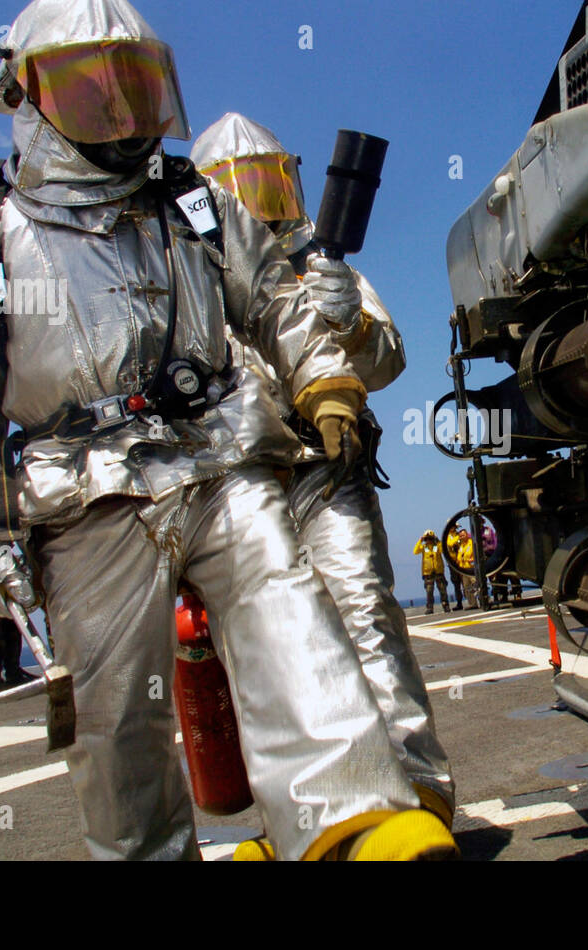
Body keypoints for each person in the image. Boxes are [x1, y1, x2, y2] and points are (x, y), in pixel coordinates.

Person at [0, 0, 455, 862]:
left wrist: (326, 373)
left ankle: (354, 818)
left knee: (292, 608)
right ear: (27, 96)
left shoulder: (191, 208)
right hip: (81, 497)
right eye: (97, 94)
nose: (125, 118)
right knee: (116, 717)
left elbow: (275, 299)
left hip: (224, 460)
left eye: (136, 90)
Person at [190, 113, 455, 843]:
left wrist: (353, 324)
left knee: (367, 618)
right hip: (240, 484)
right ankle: (307, 825)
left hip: (326, 468)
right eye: (239, 190)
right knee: (269, 655)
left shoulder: (325, 268)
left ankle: (416, 798)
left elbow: (388, 362)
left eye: (268, 183)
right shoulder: (187, 271)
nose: (259, 204)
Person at [413, 530, 450, 615]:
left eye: (430, 538)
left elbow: (443, 551)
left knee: (442, 590)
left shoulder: (436, 546)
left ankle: (446, 605)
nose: (428, 540)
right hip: (428, 573)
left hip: (438, 572)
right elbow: (415, 551)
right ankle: (430, 607)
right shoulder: (424, 547)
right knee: (429, 591)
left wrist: (439, 542)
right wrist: (420, 540)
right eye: (427, 538)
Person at [455, 528, 479, 608]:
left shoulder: (471, 543)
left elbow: (476, 553)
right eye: (460, 536)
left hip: (472, 568)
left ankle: (484, 600)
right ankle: (472, 604)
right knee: (467, 587)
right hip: (464, 570)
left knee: (477, 585)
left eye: (463, 535)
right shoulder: (461, 546)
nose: (462, 537)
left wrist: (472, 559)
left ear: (467, 535)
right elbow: (458, 557)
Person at [446, 526, 466, 610]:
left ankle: (473, 601)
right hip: (453, 562)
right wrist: (458, 537)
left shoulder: (459, 535)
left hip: (462, 561)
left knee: (465, 581)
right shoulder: (448, 536)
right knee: (456, 583)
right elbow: (450, 543)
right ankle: (459, 602)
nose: (453, 528)